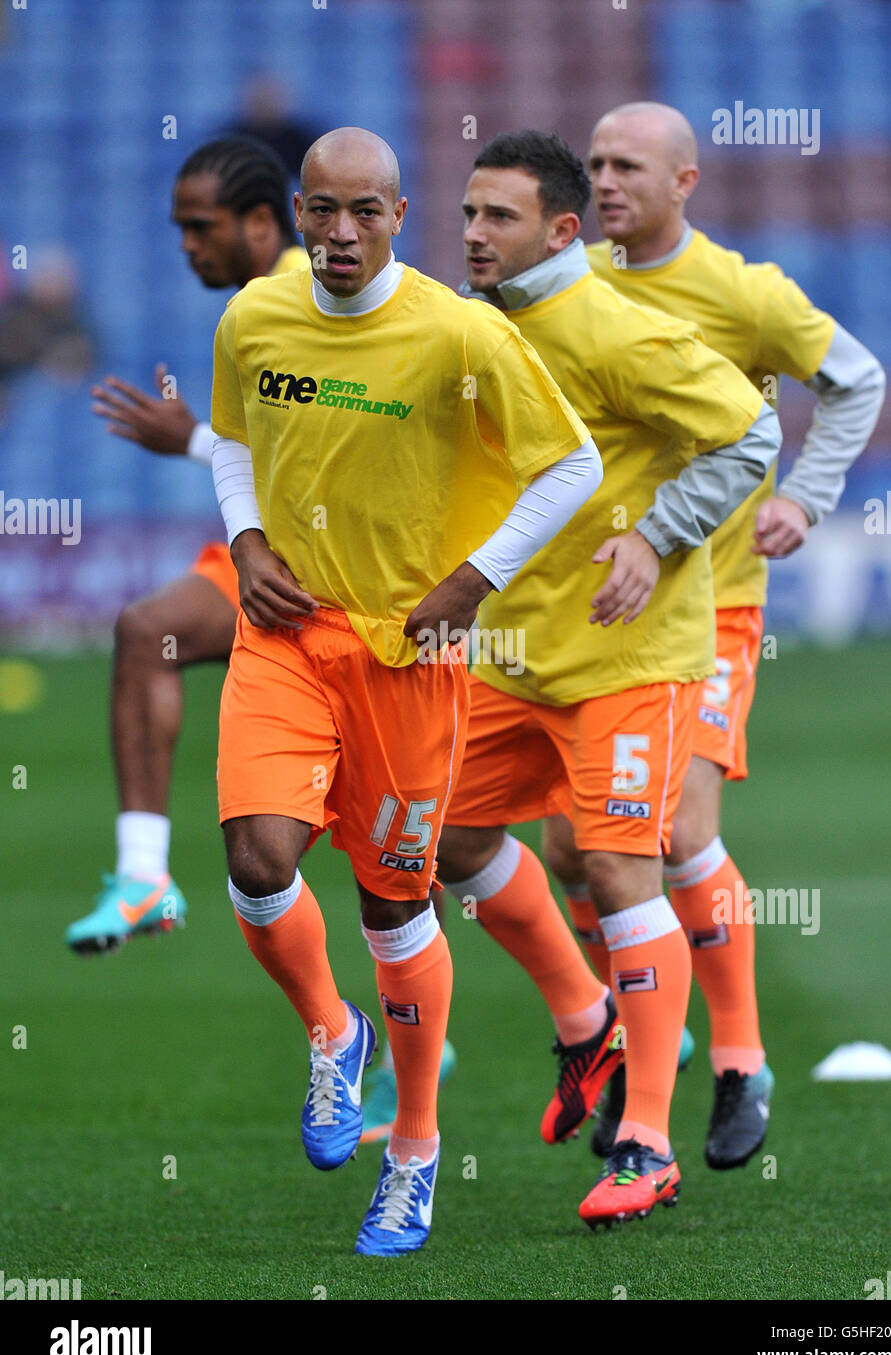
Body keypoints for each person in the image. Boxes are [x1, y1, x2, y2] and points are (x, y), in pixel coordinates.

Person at [209, 127, 605, 1255]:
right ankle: (334, 1036)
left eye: (364, 213)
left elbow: (571, 463)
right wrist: (242, 539)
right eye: (321, 211)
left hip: (410, 656)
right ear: (297, 209)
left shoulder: (457, 332)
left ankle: (416, 1150)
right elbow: (234, 436)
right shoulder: (254, 318)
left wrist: (475, 581)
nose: (339, 235)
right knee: (256, 857)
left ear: (397, 213)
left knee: (395, 901)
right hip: (286, 635)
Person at [436, 130, 781, 1227]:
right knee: (446, 843)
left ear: (563, 229)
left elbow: (751, 430)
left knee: (627, 867)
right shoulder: (468, 322)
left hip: (630, 656)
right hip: (514, 652)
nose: (475, 233)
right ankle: (584, 1017)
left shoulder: (619, 329)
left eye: (499, 217)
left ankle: (648, 1140)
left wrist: (659, 534)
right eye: (470, 213)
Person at [545, 100, 884, 1166]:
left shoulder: (745, 293)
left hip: (712, 603)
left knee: (678, 832)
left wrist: (809, 494)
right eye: (594, 163)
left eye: (628, 166)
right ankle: (645, 1029)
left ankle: (738, 1056)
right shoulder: (572, 282)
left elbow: (855, 380)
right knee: (573, 851)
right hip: (586, 610)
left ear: (685, 181)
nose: (604, 181)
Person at [66, 138, 309, 954]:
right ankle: (143, 878)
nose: (185, 245)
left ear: (263, 221)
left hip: (337, 577)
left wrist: (192, 440)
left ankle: (586, 1011)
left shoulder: (303, 302)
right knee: (145, 631)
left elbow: (326, 455)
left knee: (440, 854)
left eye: (200, 226)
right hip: (268, 558)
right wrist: (202, 440)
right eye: (178, 227)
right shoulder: (257, 304)